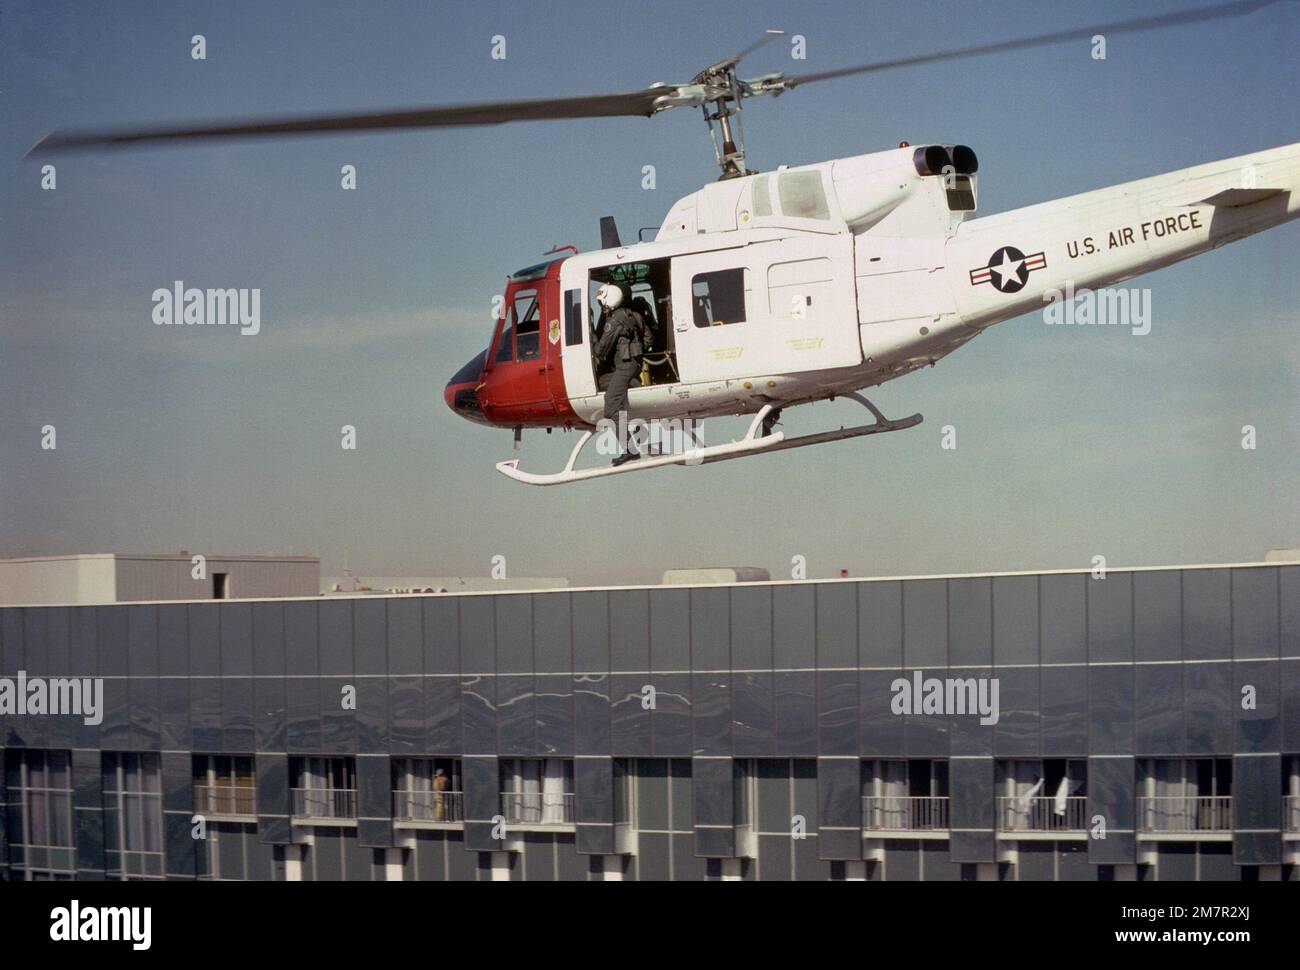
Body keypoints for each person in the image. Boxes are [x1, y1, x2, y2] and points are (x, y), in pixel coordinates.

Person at [591, 283, 646, 466]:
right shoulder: (634, 315)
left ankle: (630, 450)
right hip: (634, 365)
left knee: (610, 408)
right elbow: (649, 338)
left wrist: (590, 334)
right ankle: (633, 387)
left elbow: (600, 351)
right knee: (600, 382)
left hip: (624, 366)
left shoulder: (614, 321)